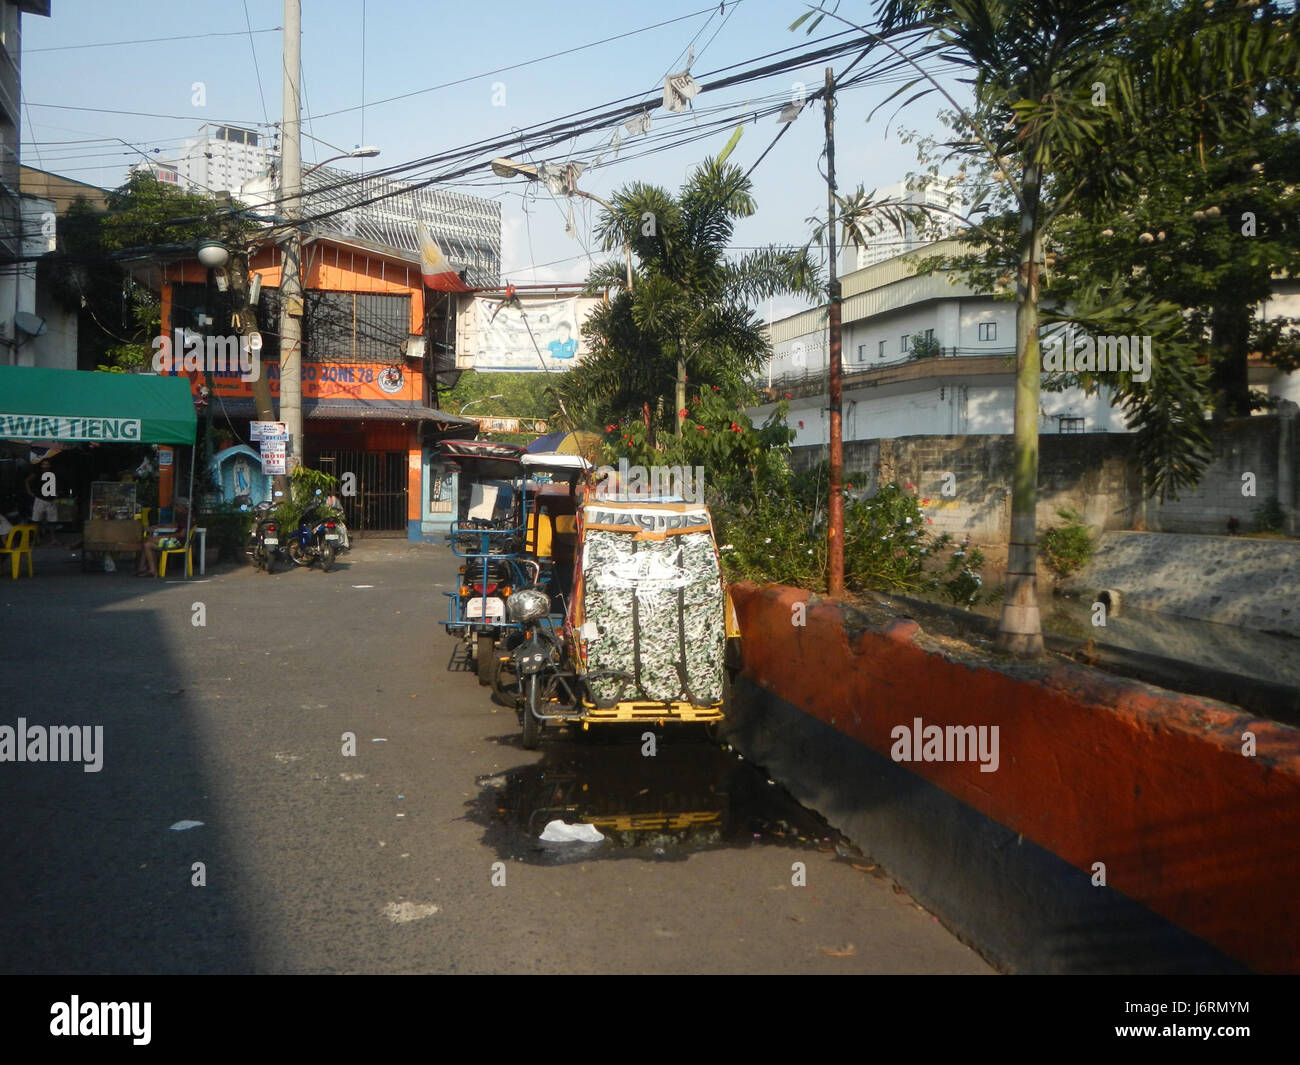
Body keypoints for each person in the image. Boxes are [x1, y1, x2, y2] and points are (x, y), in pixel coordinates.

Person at [135, 500, 189, 577]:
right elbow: (174, 525)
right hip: (175, 540)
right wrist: (159, 526)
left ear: (182, 507)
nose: (176, 509)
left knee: (147, 542)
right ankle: (148, 569)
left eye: (177, 507)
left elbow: (181, 534)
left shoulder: (186, 517)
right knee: (147, 542)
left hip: (177, 542)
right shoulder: (183, 516)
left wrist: (163, 537)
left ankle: (149, 569)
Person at [24, 459, 59, 545]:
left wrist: (56, 493)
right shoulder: (37, 473)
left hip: (51, 500)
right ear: (41, 465)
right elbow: (27, 481)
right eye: (44, 464)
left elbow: (56, 484)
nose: (45, 466)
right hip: (40, 499)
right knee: (36, 520)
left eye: (47, 464)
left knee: (52, 521)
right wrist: (29, 492)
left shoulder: (53, 473)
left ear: (49, 466)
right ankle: (37, 539)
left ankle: (53, 539)